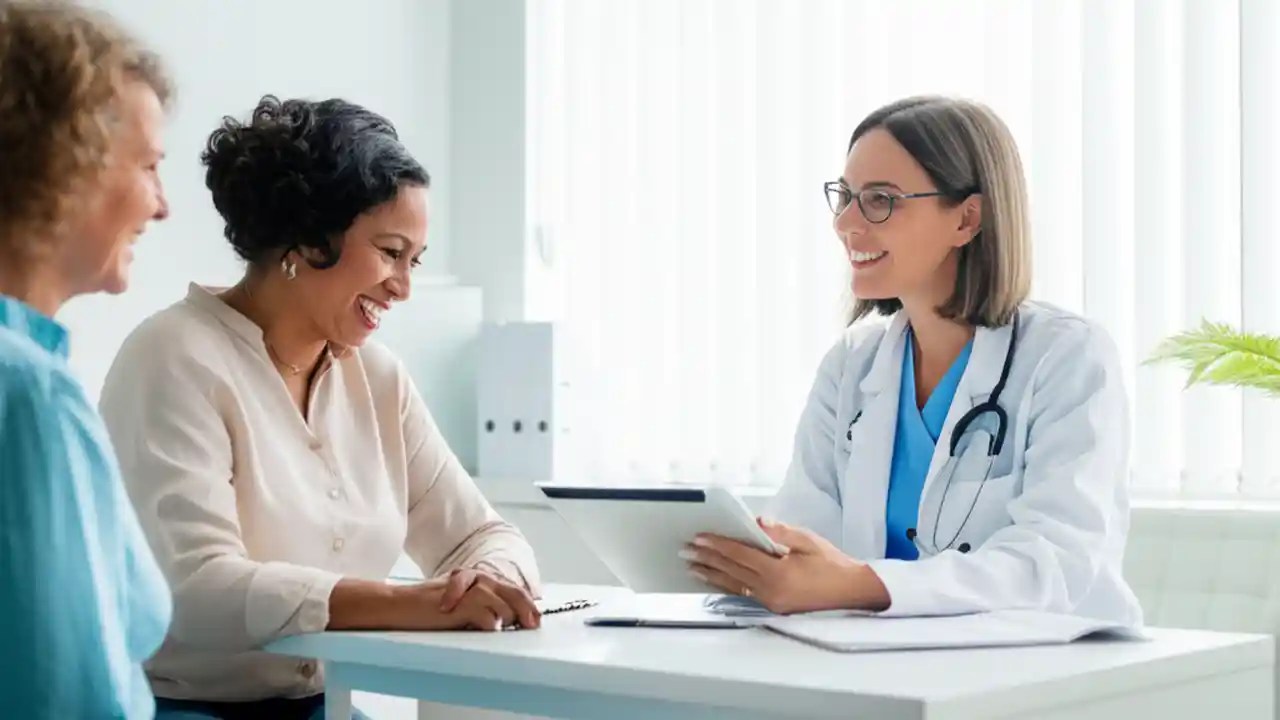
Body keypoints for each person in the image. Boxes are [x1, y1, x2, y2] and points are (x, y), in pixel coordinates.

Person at [99, 95, 541, 719]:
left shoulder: (379, 379)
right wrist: (408, 603)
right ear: (308, 239)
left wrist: (492, 578)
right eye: (390, 253)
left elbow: (482, 533)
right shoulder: (173, 357)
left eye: (414, 262)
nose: (404, 287)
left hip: (323, 706)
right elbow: (194, 588)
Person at [686, 96, 1143, 626]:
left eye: (881, 199)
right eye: (846, 196)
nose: (846, 223)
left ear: (967, 219)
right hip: (876, 665)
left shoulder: (1067, 357)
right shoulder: (851, 366)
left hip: (1039, 669)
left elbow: (1055, 565)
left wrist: (861, 583)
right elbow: (802, 536)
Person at [0, 1, 174, 716]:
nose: (162, 206)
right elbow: (71, 701)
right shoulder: (29, 396)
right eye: (149, 166)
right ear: (62, 164)